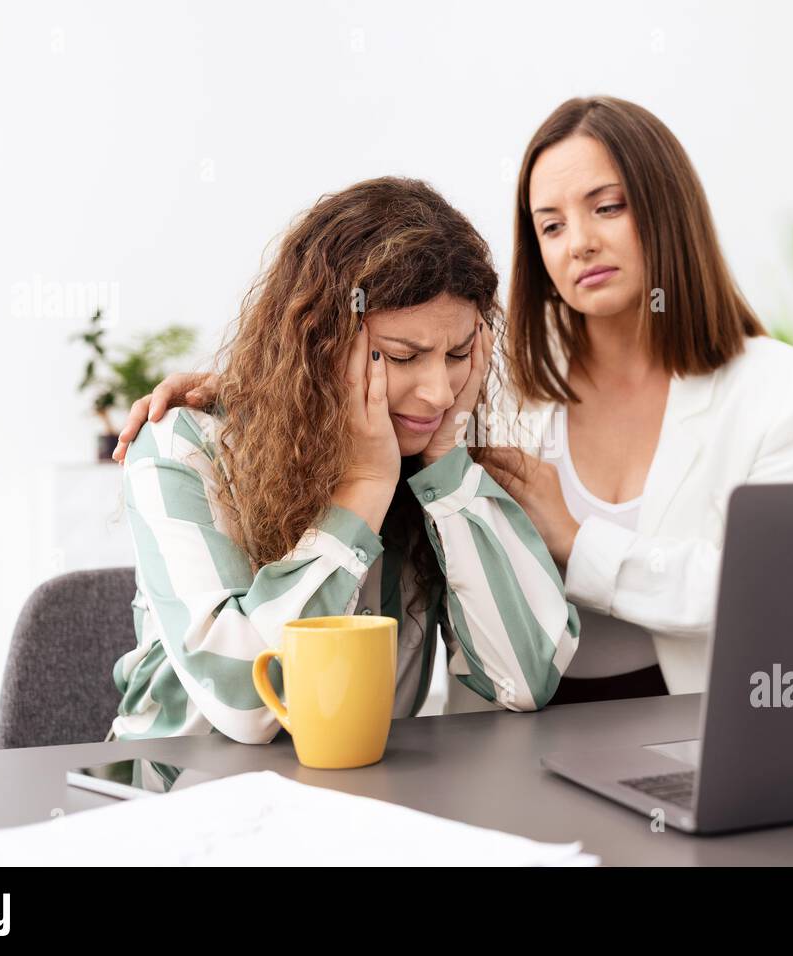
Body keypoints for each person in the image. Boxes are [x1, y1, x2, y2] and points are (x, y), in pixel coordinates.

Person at [114, 96, 793, 711]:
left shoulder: (783, 394)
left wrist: (575, 540)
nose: (580, 242)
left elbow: (783, 595)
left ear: (668, 213)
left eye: (608, 207)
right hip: (500, 748)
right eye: (551, 224)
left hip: (690, 717)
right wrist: (263, 391)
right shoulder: (499, 390)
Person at [107, 177, 579, 743]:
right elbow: (248, 705)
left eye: (457, 355)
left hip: (359, 806)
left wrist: (447, 466)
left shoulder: (433, 462)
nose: (438, 392)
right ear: (319, 346)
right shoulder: (182, 445)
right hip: (183, 803)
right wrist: (363, 487)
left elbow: (527, 680)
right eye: (403, 356)